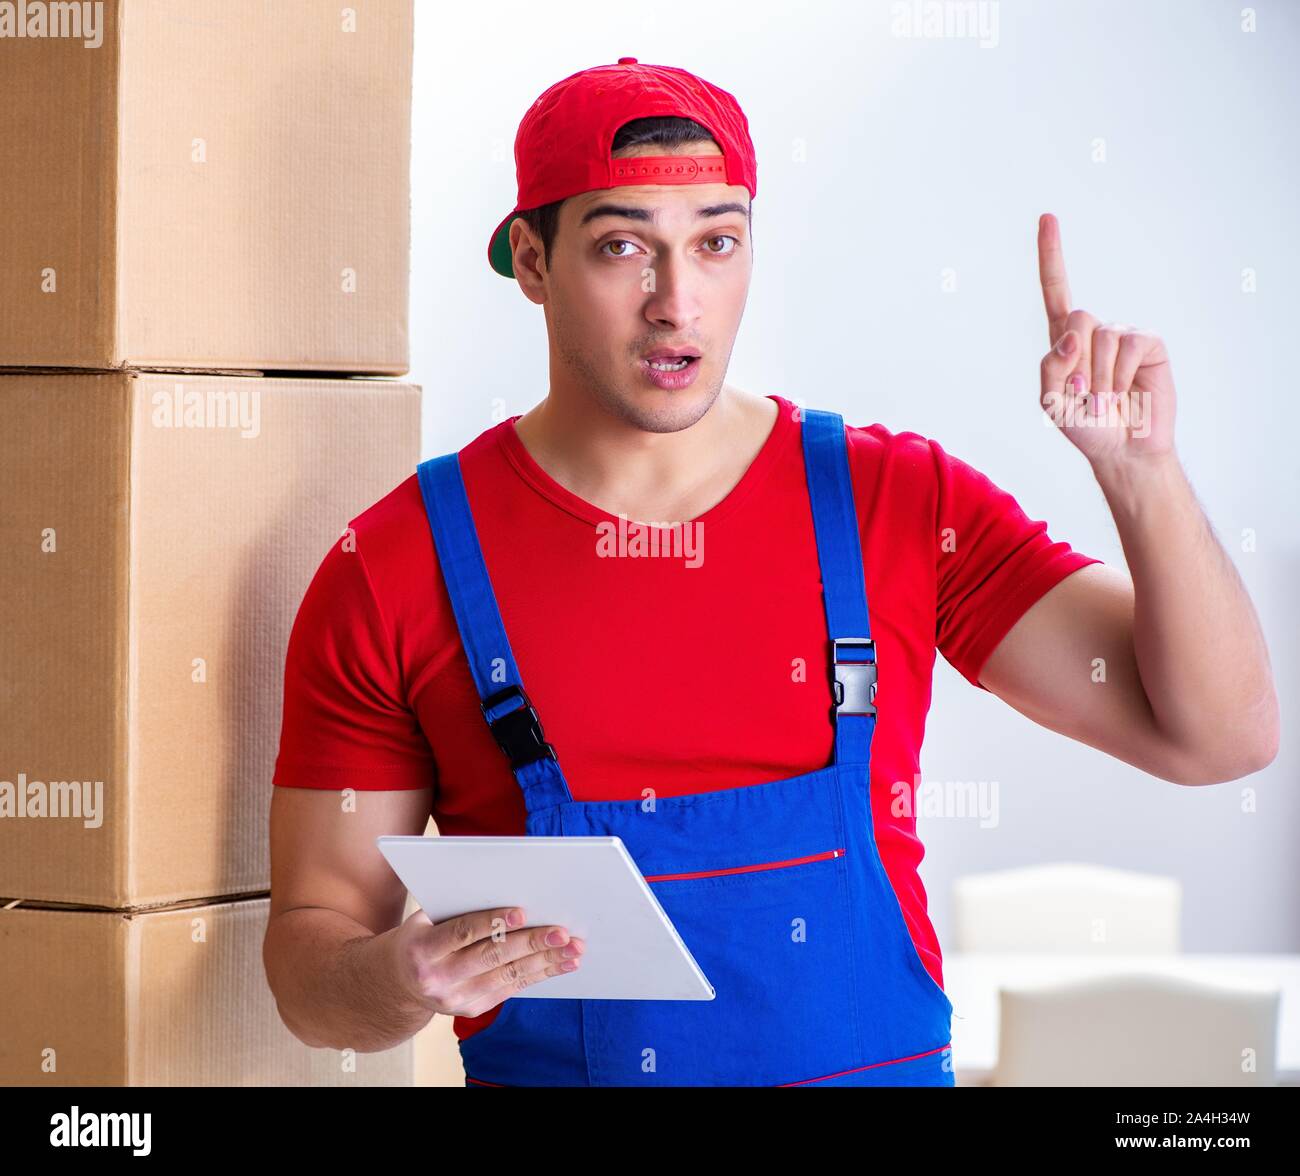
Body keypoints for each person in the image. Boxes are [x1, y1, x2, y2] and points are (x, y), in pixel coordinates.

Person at [262, 58, 1279, 1087]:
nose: (678, 304)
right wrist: (401, 978)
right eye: (622, 246)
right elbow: (311, 963)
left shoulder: (897, 503)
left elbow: (1221, 738)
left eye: (716, 243)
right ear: (532, 261)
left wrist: (1141, 475)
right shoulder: (397, 567)